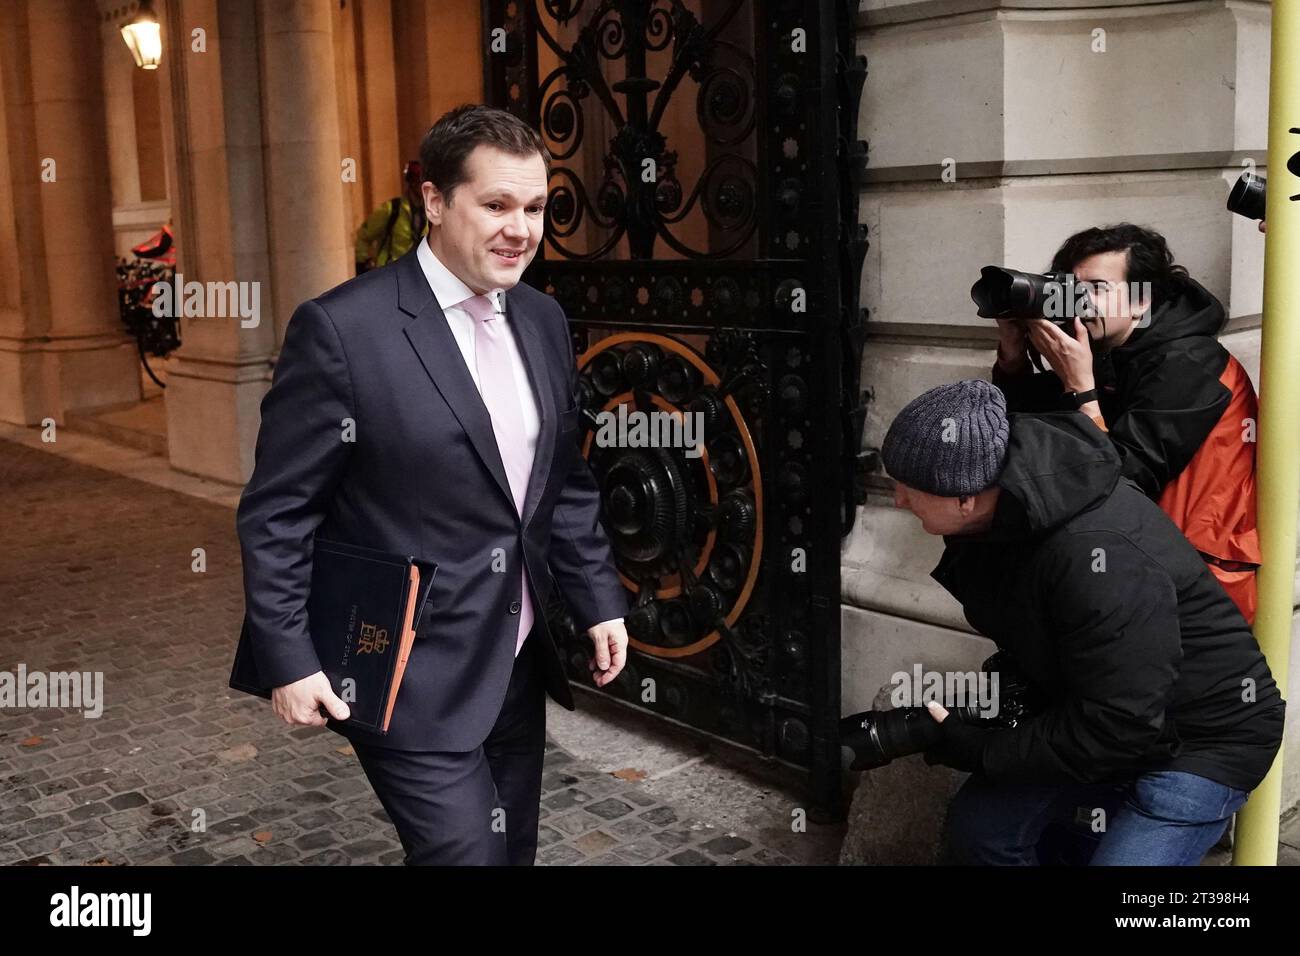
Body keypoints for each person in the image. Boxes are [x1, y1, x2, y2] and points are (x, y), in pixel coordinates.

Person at [237, 104, 629, 865]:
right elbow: (279, 511)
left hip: (515, 656)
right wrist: (287, 657)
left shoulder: (544, 320)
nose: (521, 228)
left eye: (536, 207)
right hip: (404, 668)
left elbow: (564, 481)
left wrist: (597, 599)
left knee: (510, 851)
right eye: (496, 205)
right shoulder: (344, 330)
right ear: (435, 203)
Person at [882, 380, 1285, 866]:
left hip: (1204, 738)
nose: (899, 501)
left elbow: (1120, 721)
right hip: (1098, 715)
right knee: (980, 831)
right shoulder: (995, 515)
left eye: (908, 488)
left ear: (965, 498)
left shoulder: (1095, 554)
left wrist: (986, 752)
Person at [993, 224, 1260, 621]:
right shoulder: (1113, 350)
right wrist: (1014, 358)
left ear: (1140, 302)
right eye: (1071, 288)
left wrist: (1082, 389)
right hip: (1138, 564)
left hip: (1196, 586)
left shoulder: (1188, 363)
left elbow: (1121, 479)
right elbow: (1026, 431)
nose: (1081, 302)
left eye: (1097, 288)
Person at [354, 160, 427, 273]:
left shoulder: (429, 212)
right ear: (411, 183)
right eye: (418, 182)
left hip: (415, 273)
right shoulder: (392, 209)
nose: (423, 188)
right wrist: (364, 263)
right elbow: (363, 236)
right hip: (390, 273)